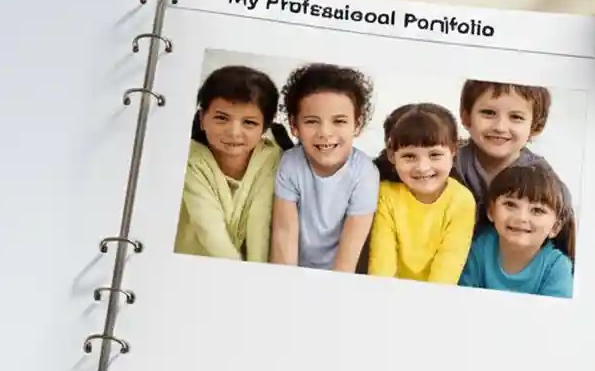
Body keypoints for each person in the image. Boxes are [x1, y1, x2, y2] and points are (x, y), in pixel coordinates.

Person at [270, 63, 379, 272]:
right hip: (296, 268)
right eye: (312, 121)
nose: (325, 132)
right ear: (294, 126)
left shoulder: (365, 174)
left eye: (339, 121)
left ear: (357, 124)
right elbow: (283, 237)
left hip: (339, 273)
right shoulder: (291, 164)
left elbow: (349, 256)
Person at [174, 65, 284, 262]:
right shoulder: (187, 158)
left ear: (265, 127)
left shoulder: (276, 160)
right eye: (221, 118)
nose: (234, 132)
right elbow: (209, 231)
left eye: (249, 122)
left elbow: (262, 229)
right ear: (202, 119)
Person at [367, 102, 475, 284]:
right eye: (409, 156)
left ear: (453, 151)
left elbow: (447, 270)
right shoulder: (385, 194)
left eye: (435, 155)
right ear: (393, 156)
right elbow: (381, 266)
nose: (423, 167)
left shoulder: (462, 200)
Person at [451, 78, 570, 231]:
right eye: (488, 113)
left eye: (516, 117)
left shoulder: (544, 180)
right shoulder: (446, 164)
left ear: (535, 125)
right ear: (466, 117)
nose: (500, 127)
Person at [459, 165, 575, 298]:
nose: (521, 218)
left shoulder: (556, 267)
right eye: (510, 204)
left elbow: (553, 316)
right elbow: (464, 303)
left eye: (537, 210)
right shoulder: (479, 249)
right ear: (491, 211)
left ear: (555, 228)